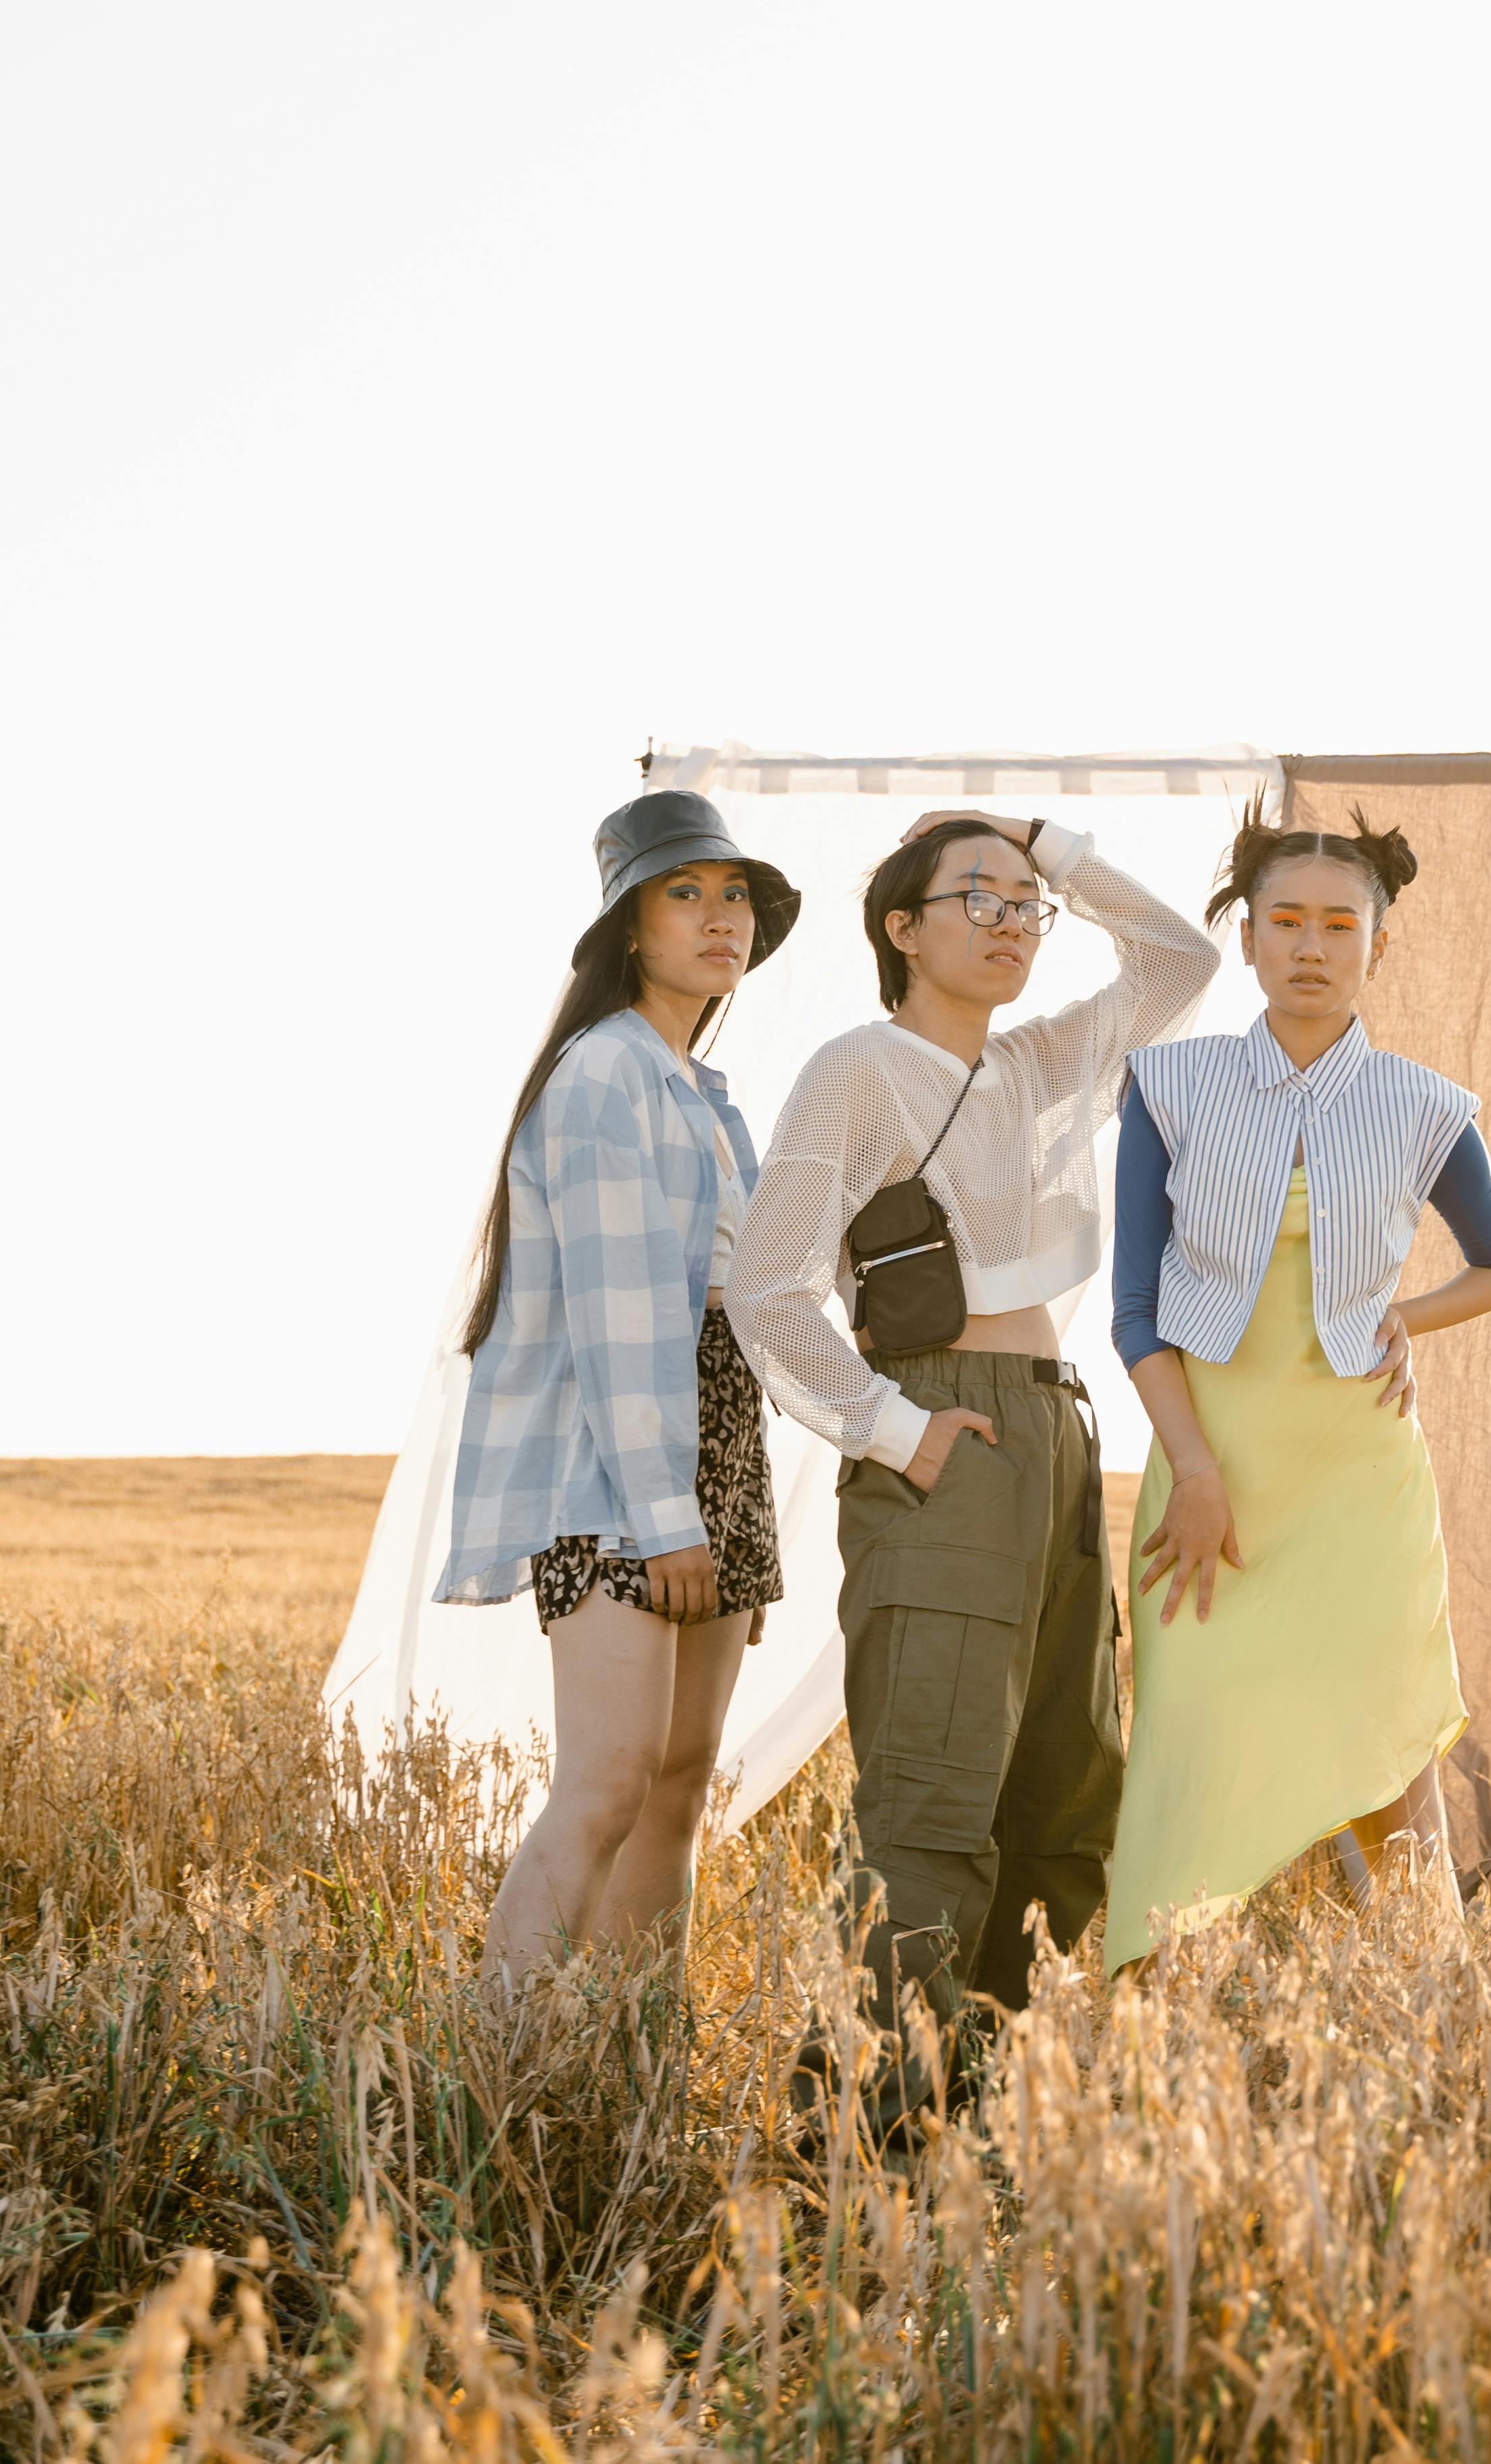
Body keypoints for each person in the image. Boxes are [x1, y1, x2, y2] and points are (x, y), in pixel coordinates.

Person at [728, 808, 1221, 2078]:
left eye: (1027, 908)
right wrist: (897, 1430)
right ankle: (866, 2130)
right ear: (901, 927)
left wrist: (1050, 847)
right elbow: (769, 1284)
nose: (1013, 925)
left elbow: (1179, 962)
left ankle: (982, 2101)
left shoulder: (1046, 1061)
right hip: (942, 1421)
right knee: (934, 1794)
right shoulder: (858, 1066)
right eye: (979, 900)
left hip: (1058, 1427)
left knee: (1068, 1792)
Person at [1100, 807, 1491, 1968]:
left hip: (1360, 1484)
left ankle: (1439, 2027)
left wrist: (1406, 1314)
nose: (1311, 945)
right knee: (1192, 1752)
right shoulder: (1169, 1084)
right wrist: (1194, 1468)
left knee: (1389, 1766)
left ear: (1378, 947)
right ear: (1245, 938)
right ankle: (1159, 2056)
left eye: (1342, 925)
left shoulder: (1422, 1104)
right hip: (1210, 1478)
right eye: (1284, 919)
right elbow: (1135, 1312)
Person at [438, 792, 802, 1991]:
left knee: (682, 1783)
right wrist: (666, 1510)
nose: (720, 919)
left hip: (719, 1421)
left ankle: (630, 2059)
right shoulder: (602, 1074)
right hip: (627, 1454)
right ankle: (495, 2063)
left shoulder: (701, 1091)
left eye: (734, 894)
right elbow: (613, 1319)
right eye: (685, 894)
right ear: (627, 930)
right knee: (605, 1782)